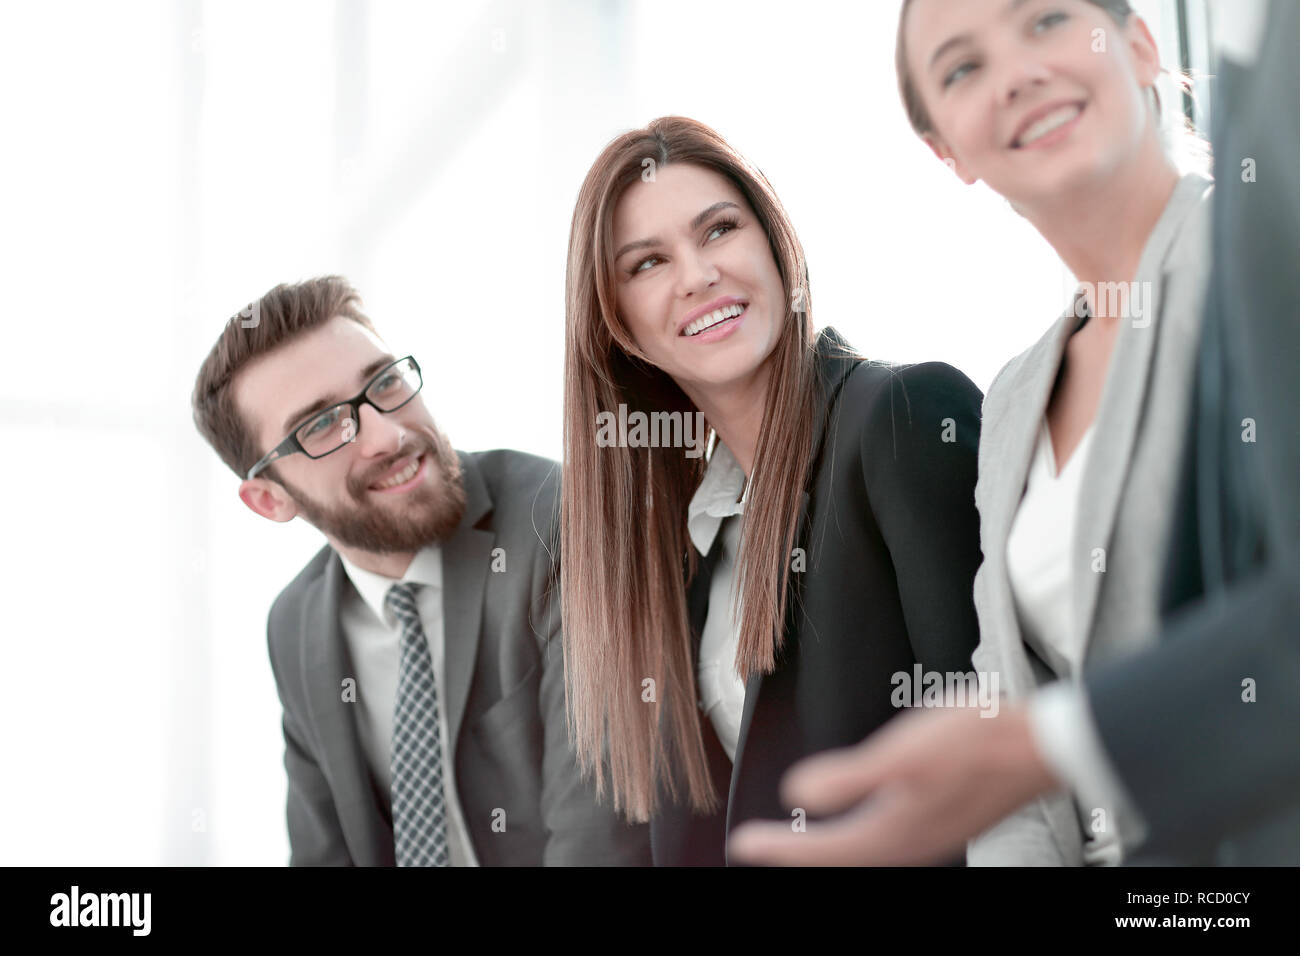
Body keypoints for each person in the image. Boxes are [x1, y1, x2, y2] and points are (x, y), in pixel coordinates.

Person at [729, 0, 1300, 868]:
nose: (1015, 75)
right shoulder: (1011, 402)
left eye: (1046, 21)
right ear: (947, 153)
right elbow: (1009, 724)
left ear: (1141, 46)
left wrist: (1052, 744)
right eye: (963, 68)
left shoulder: (1262, 257)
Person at [560, 116, 984, 865]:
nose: (697, 276)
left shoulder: (901, 418)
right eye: (648, 263)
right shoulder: (684, 548)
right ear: (616, 322)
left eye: (719, 230)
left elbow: (993, 757)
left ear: (774, 244)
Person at [191, 276, 651, 866]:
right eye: (322, 425)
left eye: (385, 382)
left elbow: (602, 843)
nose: (388, 434)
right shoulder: (295, 623)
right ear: (270, 499)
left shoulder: (563, 523)